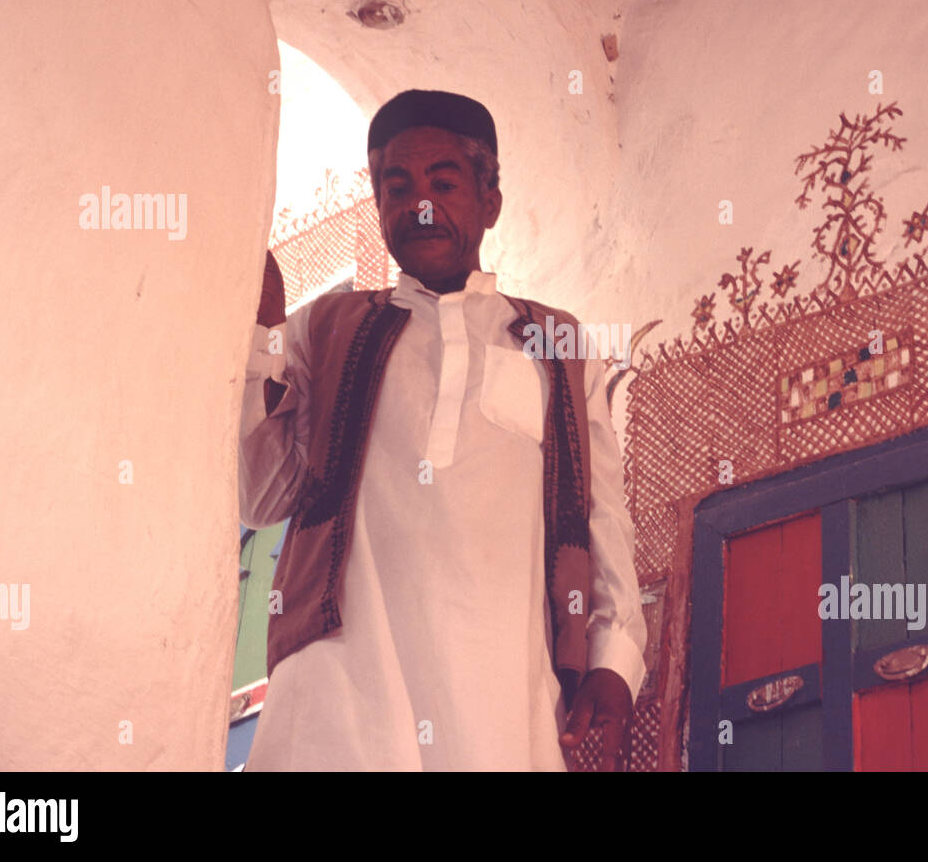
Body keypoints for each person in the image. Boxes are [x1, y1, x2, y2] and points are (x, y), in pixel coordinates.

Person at [238, 89, 647, 771]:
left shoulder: (557, 343)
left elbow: (601, 511)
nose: (419, 206)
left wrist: (615, 657)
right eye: (396, 188)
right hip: (340, 684)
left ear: (490, 201)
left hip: (502, 693)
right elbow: (261, 498)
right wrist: (260, 335)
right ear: (379, 210)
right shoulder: (326, 328)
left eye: (443, 183)